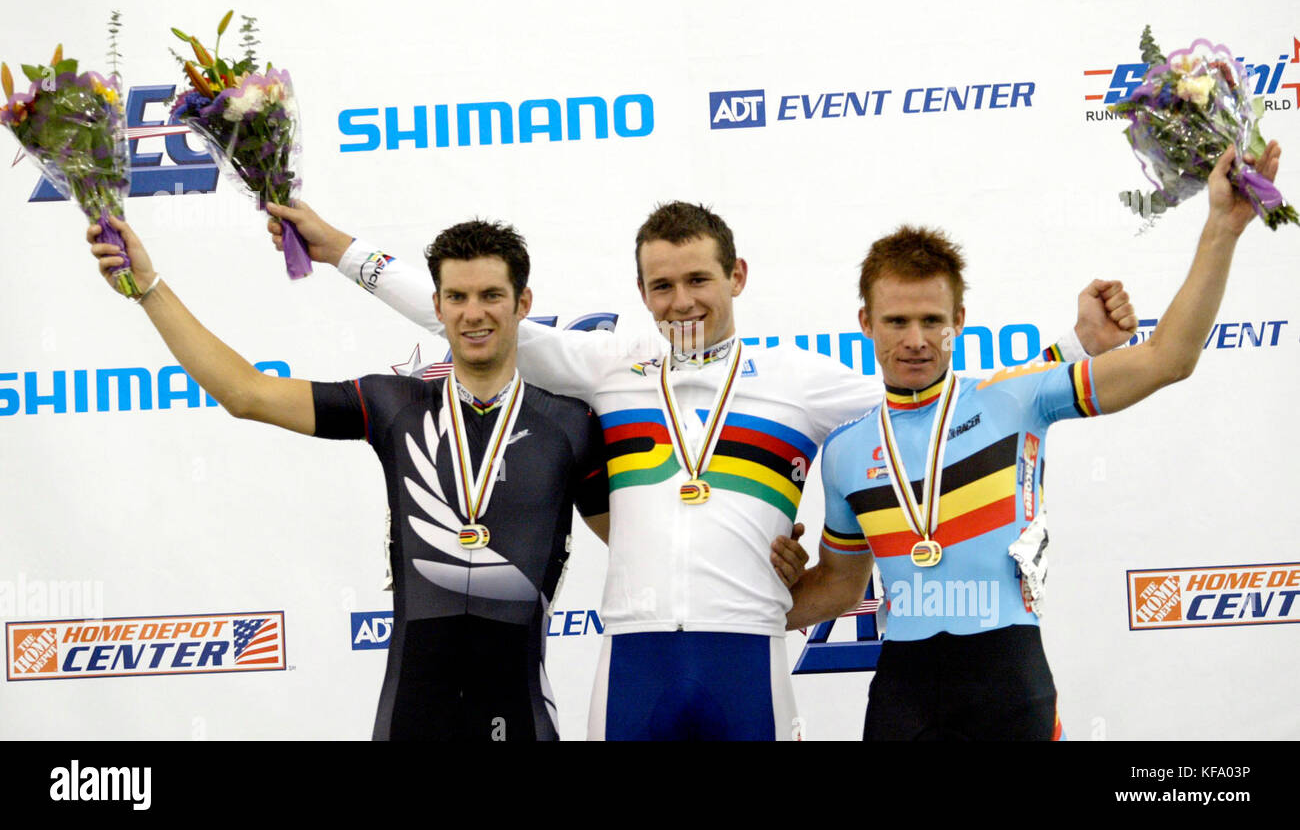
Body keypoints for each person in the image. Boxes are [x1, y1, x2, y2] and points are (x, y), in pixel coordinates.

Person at [266, 199, 1135, 740]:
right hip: (634, 651)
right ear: (641, 291)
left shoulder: (802, 381)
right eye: (661, 285)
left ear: (737, 276)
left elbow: (950, 397)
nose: (680, 300)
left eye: (697, 279)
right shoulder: (610, 365)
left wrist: (1072, 350)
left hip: (747, 647)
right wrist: (337, 247)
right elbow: (461, 312)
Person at [787, 142, 1282, 740]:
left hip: (1009, 682)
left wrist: (1222, 229)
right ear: (866, 323)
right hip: (903, 693)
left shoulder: (1015, 397)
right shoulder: (845, 451)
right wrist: (730, 607)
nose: (916, 339)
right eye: (896, 321)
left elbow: (1168, 358)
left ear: (959, 321)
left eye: (932, 321)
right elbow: (838, 586)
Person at [87, 217, 611, 741]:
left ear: (523, 303)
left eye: (491, 295)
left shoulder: (571, 426)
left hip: (521, 717)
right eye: (457, 296)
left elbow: (633, 545)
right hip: (410, 717)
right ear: (437, 306)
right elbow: (246, 393)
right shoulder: (394, 404)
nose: (473, 313)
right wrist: (149, 288)